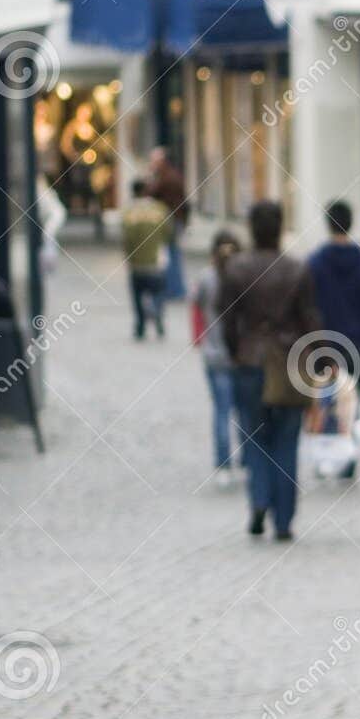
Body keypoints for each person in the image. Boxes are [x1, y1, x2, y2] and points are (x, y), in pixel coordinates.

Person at [219, 200, 321, 542]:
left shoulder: (236, 269)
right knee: (287, 441)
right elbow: (310, 320)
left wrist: (236, 353)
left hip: (250, 360)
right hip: (289, 361)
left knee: (254, 437)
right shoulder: (297, 269)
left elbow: (228, 321)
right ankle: (284, 518)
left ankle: (260, 499)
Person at [307, 200, 360, 388]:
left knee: (324, 403)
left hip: (323, 343)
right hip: (356, 342)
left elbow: (308, 307)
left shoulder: (314, 263)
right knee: (352, 404)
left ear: (328, 224)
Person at [192, 229, 242, 489]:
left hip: (214, 353)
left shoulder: (206, 277)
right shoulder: (244, 278)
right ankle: (246, 460)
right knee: (245, 410)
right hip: (241, 355)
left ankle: (223, 464)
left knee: (221, 411)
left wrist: (198, 336)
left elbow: (196, 306)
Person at [121, 178, 171, 340]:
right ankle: (157, 314)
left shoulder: (128, 213)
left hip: (136, 263)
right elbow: (168, 234)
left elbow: (126, 238)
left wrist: (128, 255)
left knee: (137, 296)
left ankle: (141, 325)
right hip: (157, 261)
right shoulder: (159, 209)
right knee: (158, 292)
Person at [147, 146, 189, 301]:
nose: (152, 163)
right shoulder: (171, 175)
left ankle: (174, 289)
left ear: (161, 161)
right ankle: (175, 289)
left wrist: (150, 175)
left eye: (154, 160)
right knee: (172, 254)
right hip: (173, 220)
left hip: (169, 221)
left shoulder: (166, 177)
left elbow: (150, 193)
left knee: (171, 255)